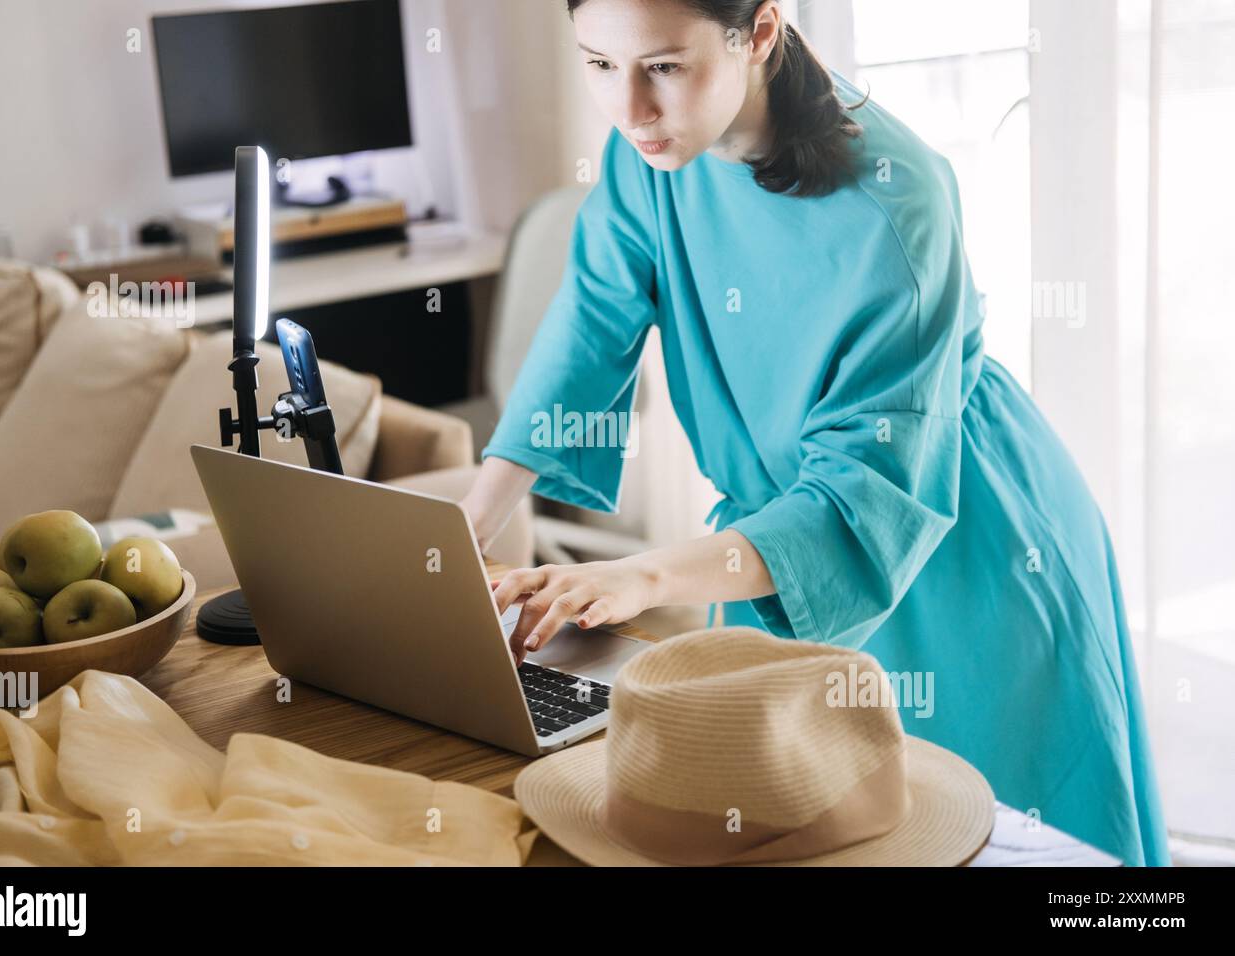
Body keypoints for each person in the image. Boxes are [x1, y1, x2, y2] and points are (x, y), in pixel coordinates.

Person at [459, 0, 1170, 867]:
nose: (629, 107)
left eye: (666, 67)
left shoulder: (899, 198)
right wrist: (467, 526)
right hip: (767, 551)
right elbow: (591, 322)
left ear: (758, 33)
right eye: (599, 64)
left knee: (970, 835)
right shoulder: (649, 152)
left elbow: (855, 502)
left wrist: (642, 573)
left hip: (952, 543)